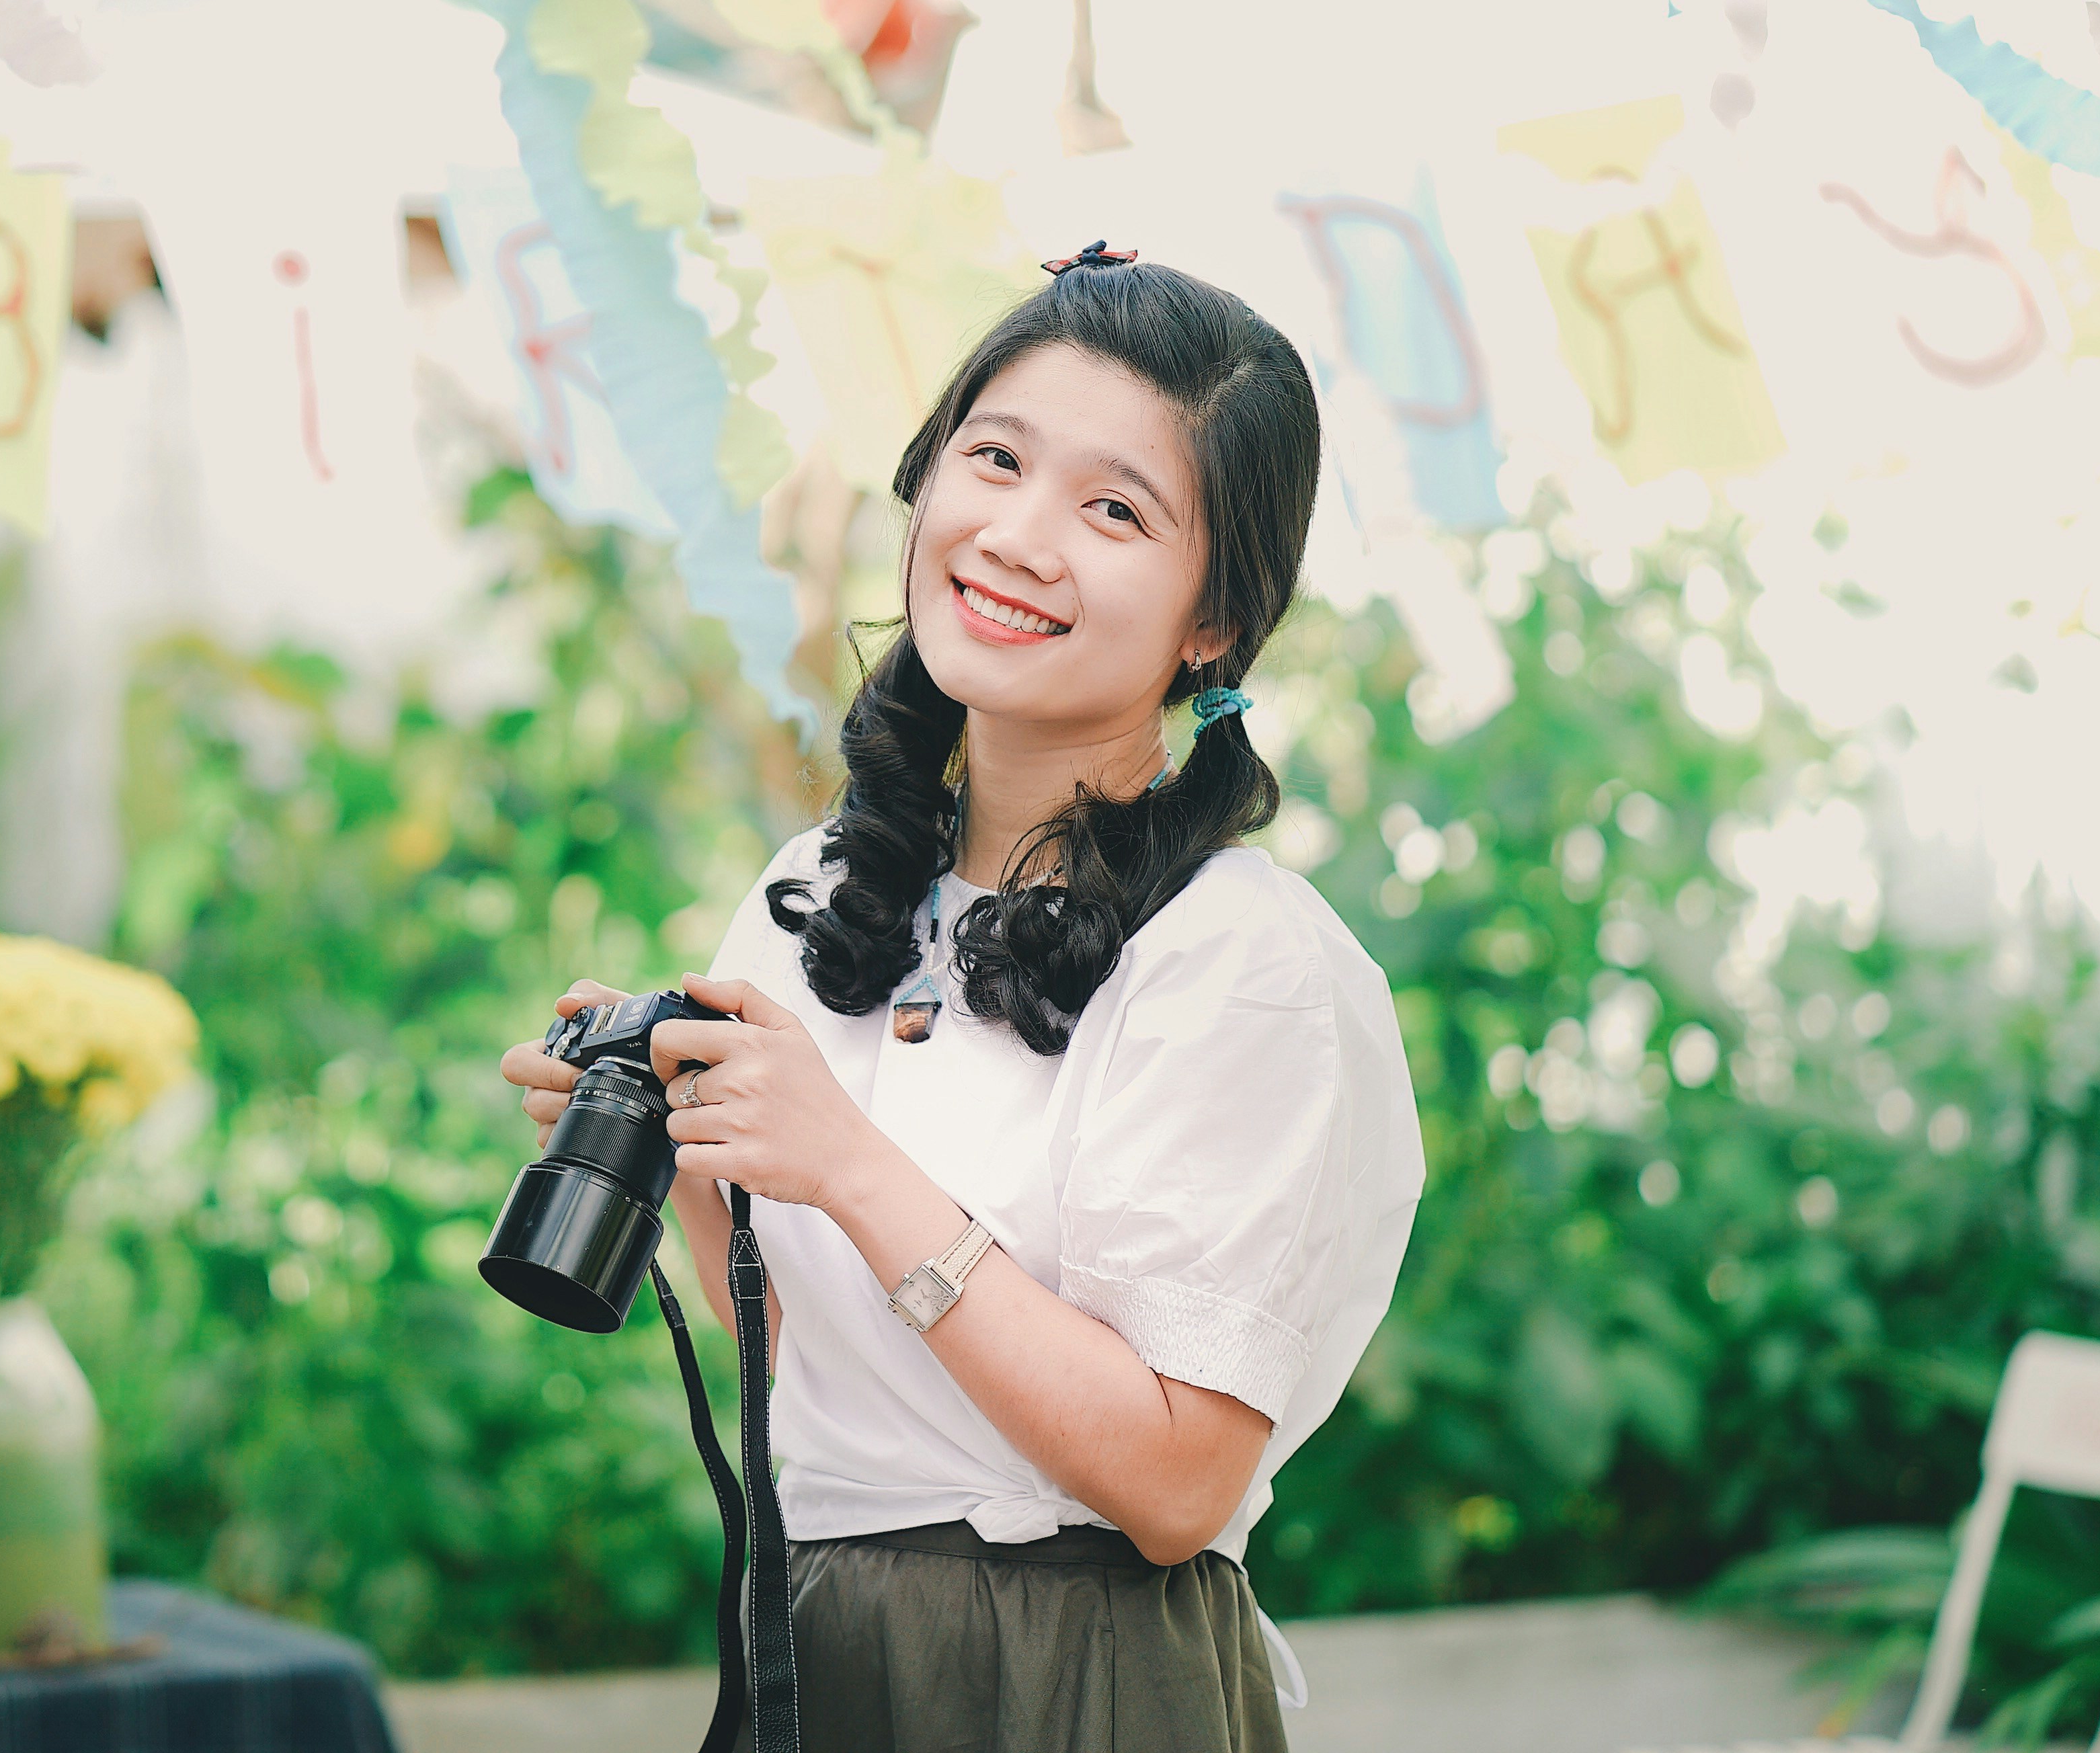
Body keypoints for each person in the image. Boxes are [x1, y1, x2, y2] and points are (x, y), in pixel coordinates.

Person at [503, 251, 1427, 1752]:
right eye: (993, 458)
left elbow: (1179, 1479)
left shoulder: (1239, 958)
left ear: (1215, 621)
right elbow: (841, 1381)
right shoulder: (819, 891)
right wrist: (687, 1142)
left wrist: (852, 1164)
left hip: (1077, 1667)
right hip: (821, 1641)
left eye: (1114, 508)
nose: (1017, 534)